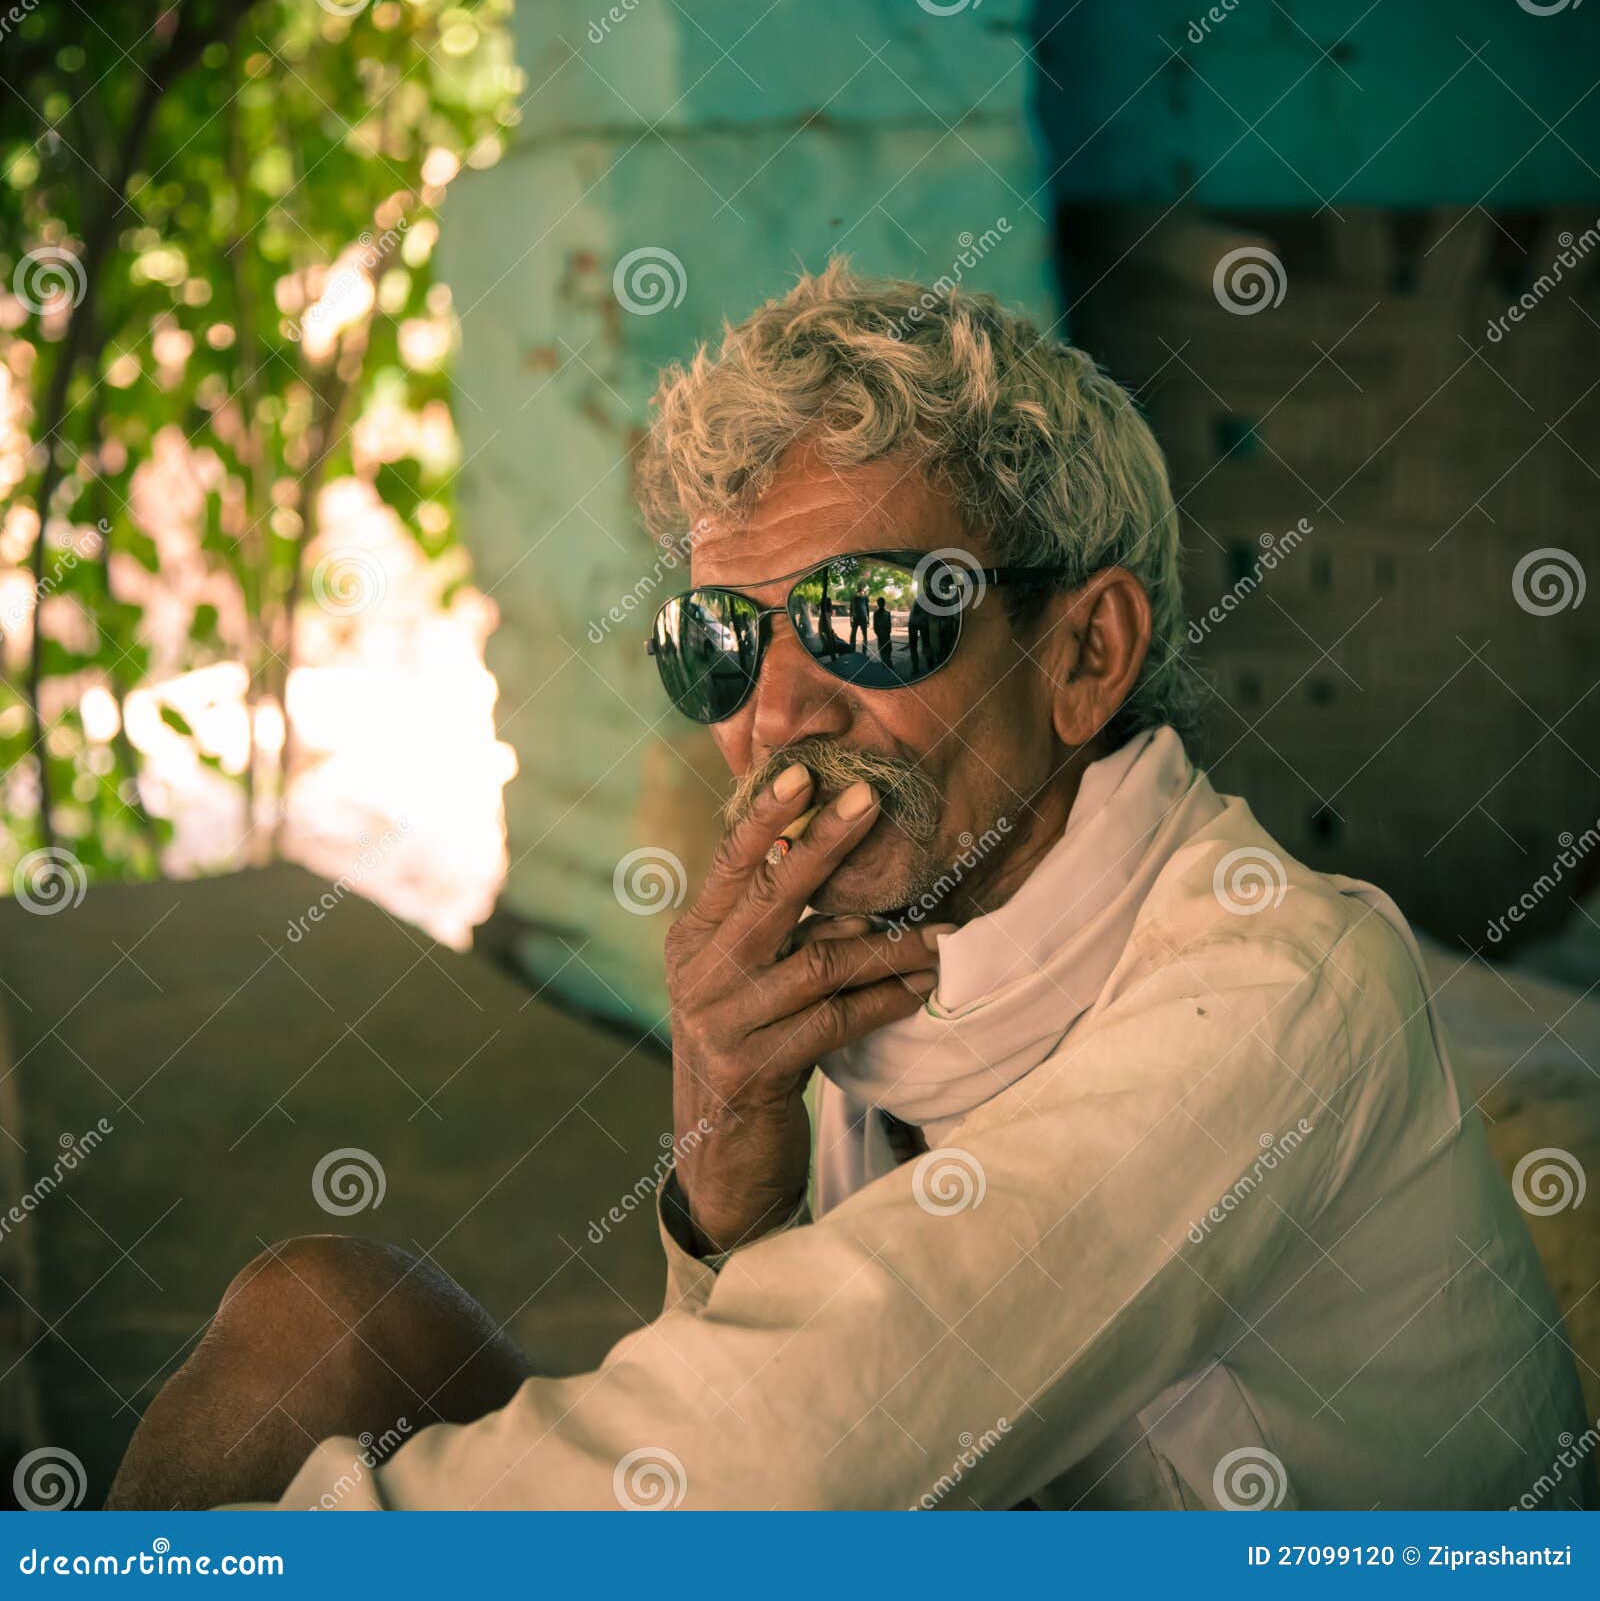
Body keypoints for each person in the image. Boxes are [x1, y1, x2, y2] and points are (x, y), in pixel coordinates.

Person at [109, 262, 1594, 1512]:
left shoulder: (1274, 989)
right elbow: (776, 1376)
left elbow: (791, 1454)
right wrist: (726, 1189)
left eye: (869, 616)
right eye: (722, 644)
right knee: (317, 1320)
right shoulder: (910, 936)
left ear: (1084, 654)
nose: (779, 712)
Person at [871, 594, 893, 670]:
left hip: (886, 633)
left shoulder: (886, 613)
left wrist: (889, 631)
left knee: (888, 649)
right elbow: (875, 626)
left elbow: (889, 624)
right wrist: (878, 634)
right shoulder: (877, 613)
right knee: (883, 649)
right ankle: (886, 664)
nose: (881, 604)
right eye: (880, 603)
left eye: (881, 603)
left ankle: (888, 663)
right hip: (881, 634)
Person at [849, 582, 870, 652]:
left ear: (863, 587)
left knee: (865, 635)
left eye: (861, 586)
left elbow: (867, 608)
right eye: (859, 585)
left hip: (863, 618)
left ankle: (864, 650)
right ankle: (852, 649)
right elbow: (851, 608)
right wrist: (850, 620)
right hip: (855, 618)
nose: (860, 587)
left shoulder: (865, 596)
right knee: (853, 635)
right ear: (857, 587)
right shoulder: (853, 596)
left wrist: (868, 620)